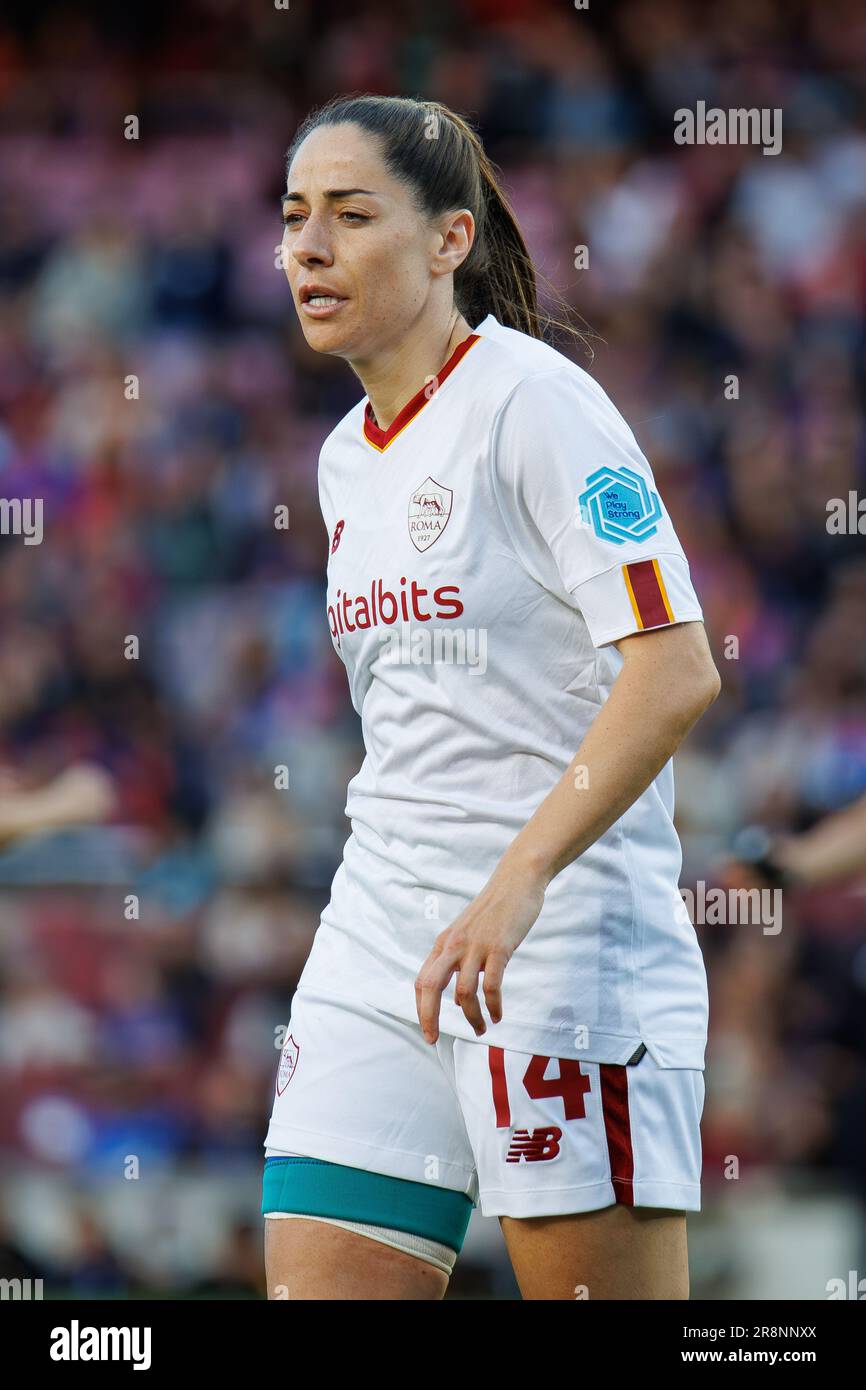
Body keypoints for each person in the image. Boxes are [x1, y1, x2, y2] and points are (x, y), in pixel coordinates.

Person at [262, 94, 721, 1301]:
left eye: (351, 216)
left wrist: (515, 880)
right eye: (295, 216)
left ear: (448, 239)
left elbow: (674, 665)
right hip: (379, 927)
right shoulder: (342, 457)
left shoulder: (534, 403)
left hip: (556, 934)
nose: (307, 246)